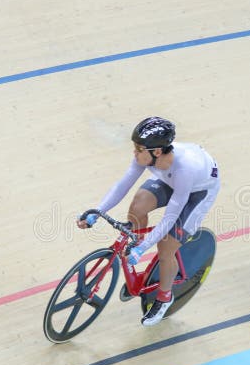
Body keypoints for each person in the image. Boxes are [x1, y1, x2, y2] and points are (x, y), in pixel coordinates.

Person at [77, 116, 220, 325]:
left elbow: (170, 217)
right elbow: (122, 185)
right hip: (170, 179)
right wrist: (98, 211)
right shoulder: (148, 157)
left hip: (199, 192)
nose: (134, 153)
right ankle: (136, 258)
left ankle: (164, 298)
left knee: (166, 247)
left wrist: (142, 248)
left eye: (139, 149)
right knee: (138, 206)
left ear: (157, 151)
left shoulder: (185, 169)